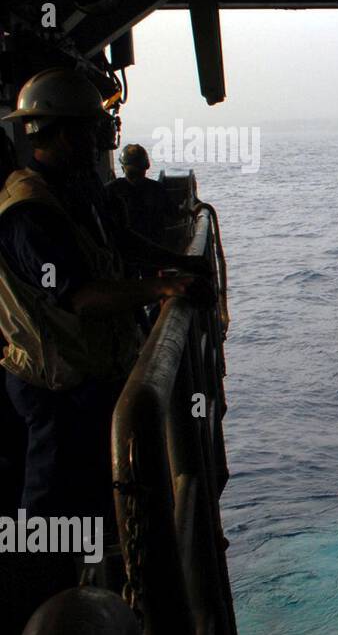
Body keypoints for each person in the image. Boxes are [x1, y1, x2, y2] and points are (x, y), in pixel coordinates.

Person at [0, 68, 208, 521]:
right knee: (50, 514)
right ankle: (46, 587)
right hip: (54, 387)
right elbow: (78, 297)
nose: (100, 139)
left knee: (96, 499)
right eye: (91, 129)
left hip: (88, 376)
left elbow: (120, 242)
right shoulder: (30, 212)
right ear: (62, 132)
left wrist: (184, 265)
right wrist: (163, 286)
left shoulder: (78, 190)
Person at [106, 143, 177, 247]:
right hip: (151, 252)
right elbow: (174, 213)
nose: (136, 177)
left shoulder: (111, 190)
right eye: (133, 173)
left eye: (138, 173)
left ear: (123, 168)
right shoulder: (157, 189)